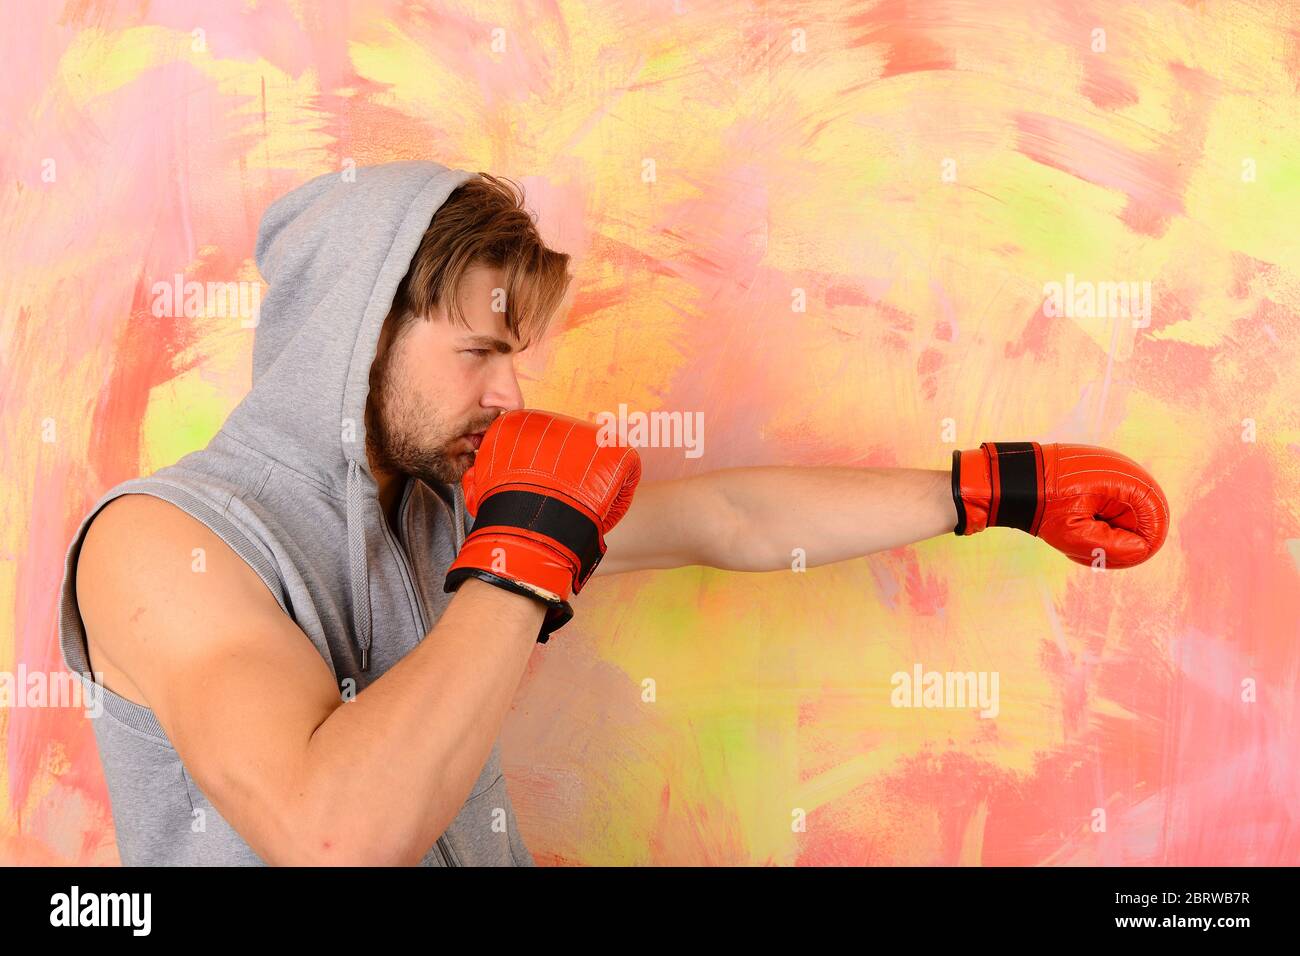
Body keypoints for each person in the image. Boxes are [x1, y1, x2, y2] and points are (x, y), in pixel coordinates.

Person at [57, 161, 1169, 866]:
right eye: (480, 350)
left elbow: (725, 516)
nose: (511, 394)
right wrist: (517, 558)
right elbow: (333, 831)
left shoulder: (444, 505)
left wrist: (990, 489)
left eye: (516, 354)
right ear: (353, 333)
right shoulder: (163, 543)